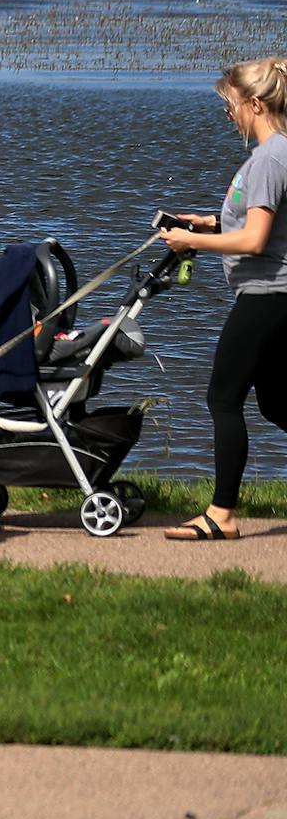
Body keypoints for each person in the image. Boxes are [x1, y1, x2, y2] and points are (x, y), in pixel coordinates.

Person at [157, 56, 287, 541]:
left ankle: (222, 515)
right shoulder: (279, 155)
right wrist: (211, 222)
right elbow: (267, 223)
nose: (229, 115)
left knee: (223, 397)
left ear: (255, 104)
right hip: (276, 296)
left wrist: (194, 243)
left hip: (268, 295)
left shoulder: (271, 158)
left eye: (231, 106)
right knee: (277, 405)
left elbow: (255, 240)